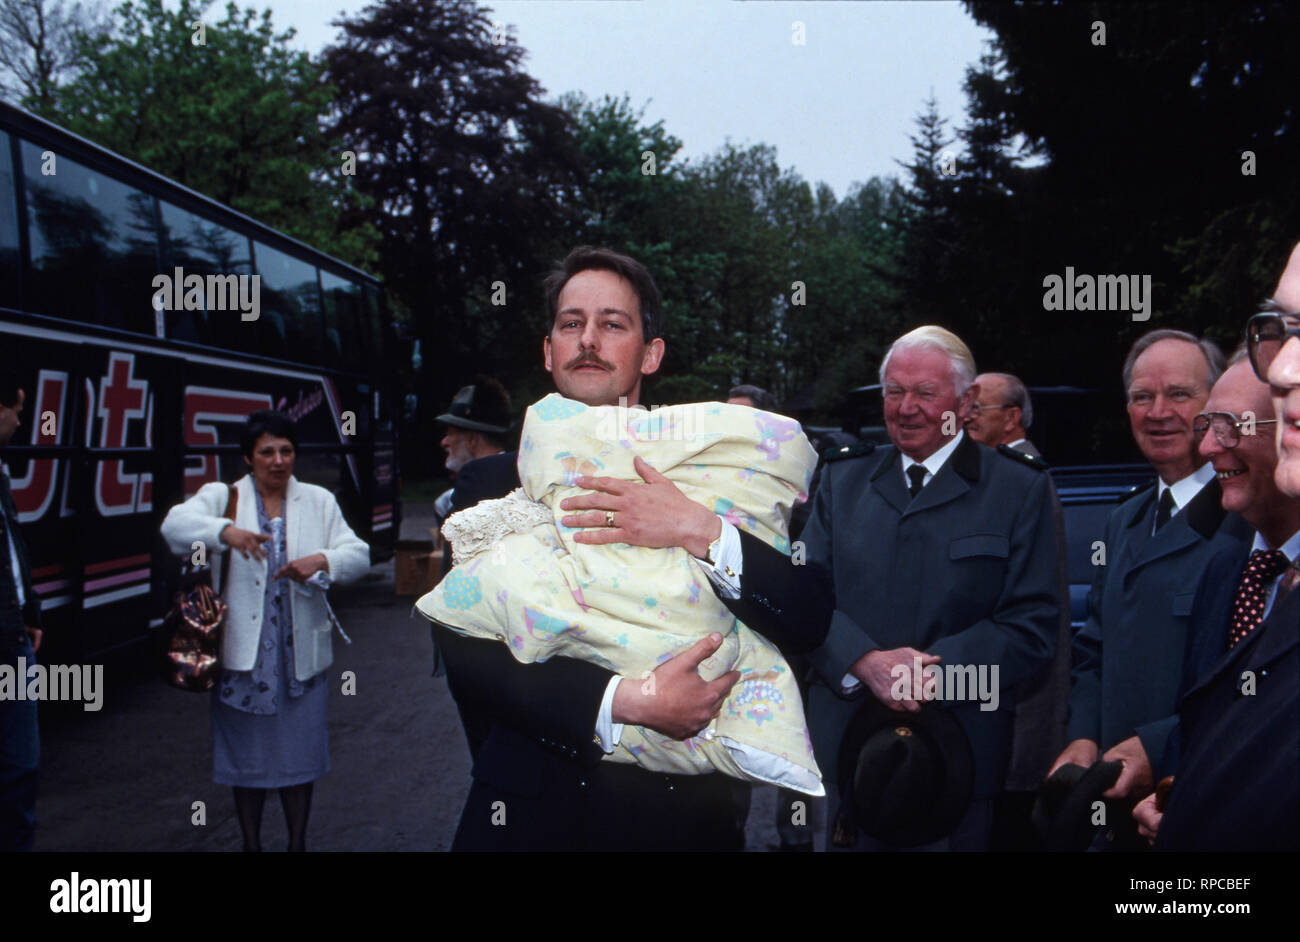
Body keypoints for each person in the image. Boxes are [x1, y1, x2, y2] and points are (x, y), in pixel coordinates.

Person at [570, 325, 1062, 850]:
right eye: (895, 392)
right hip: (848, 752)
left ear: (964, 404)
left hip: (958, 757)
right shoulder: (844, 480)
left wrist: (929, 676)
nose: (907, 407)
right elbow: (803, 596)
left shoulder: (1019, 488)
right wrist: (863, 662)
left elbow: (1031, 626)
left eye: (925, 393)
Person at [430, 247, 821, 851]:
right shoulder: (489, 484)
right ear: (548, 349)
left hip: (683, 824)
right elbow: (467, 654)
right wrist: (628, 701)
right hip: (527, 816)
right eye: (571, 323)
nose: (588, 339)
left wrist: (696, 527)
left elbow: (807, 615)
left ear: (651, 352)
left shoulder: (717, 466)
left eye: (613, 324)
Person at [1053, 330, 1250, 849]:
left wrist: (1159, 750)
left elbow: (1250, 685)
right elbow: (1095, 649)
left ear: (1218, 408)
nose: (1158, 411)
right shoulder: (1126, 520)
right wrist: (1083, 737)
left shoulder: (1247, 524)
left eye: (1179, 395)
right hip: (1112, 809)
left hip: (1197, 802)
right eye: (1143, 396)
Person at [1135, 244, 1300, 849]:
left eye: (1234, 427)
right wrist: (1177, 790)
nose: (1208, 448)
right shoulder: (1229, 566)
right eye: (1209, 426)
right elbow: (1208, 718)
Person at [161, 410, 370, 852]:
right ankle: (250, 844)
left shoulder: (317, 500)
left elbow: (359, 554)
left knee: (300, 759)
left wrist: (322, 561)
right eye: (267, 452)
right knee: (247, 762)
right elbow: (173, 528)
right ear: (248, 457)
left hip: (299, 659)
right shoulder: (223, 497)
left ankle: (297, 843)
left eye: (287, 450)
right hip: (242, 657)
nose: (278, 460)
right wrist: (225, 532)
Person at [0, 363, 42, 852]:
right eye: (18, 409)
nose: (20, 419)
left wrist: (31, 611)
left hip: (13, 644)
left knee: (19, 770)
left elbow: (13, 551)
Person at [965, 372, 1041, 458]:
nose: (966, 418)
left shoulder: (1022, 468)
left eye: (975, 408)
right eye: (966, 407)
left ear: (1011, 417)